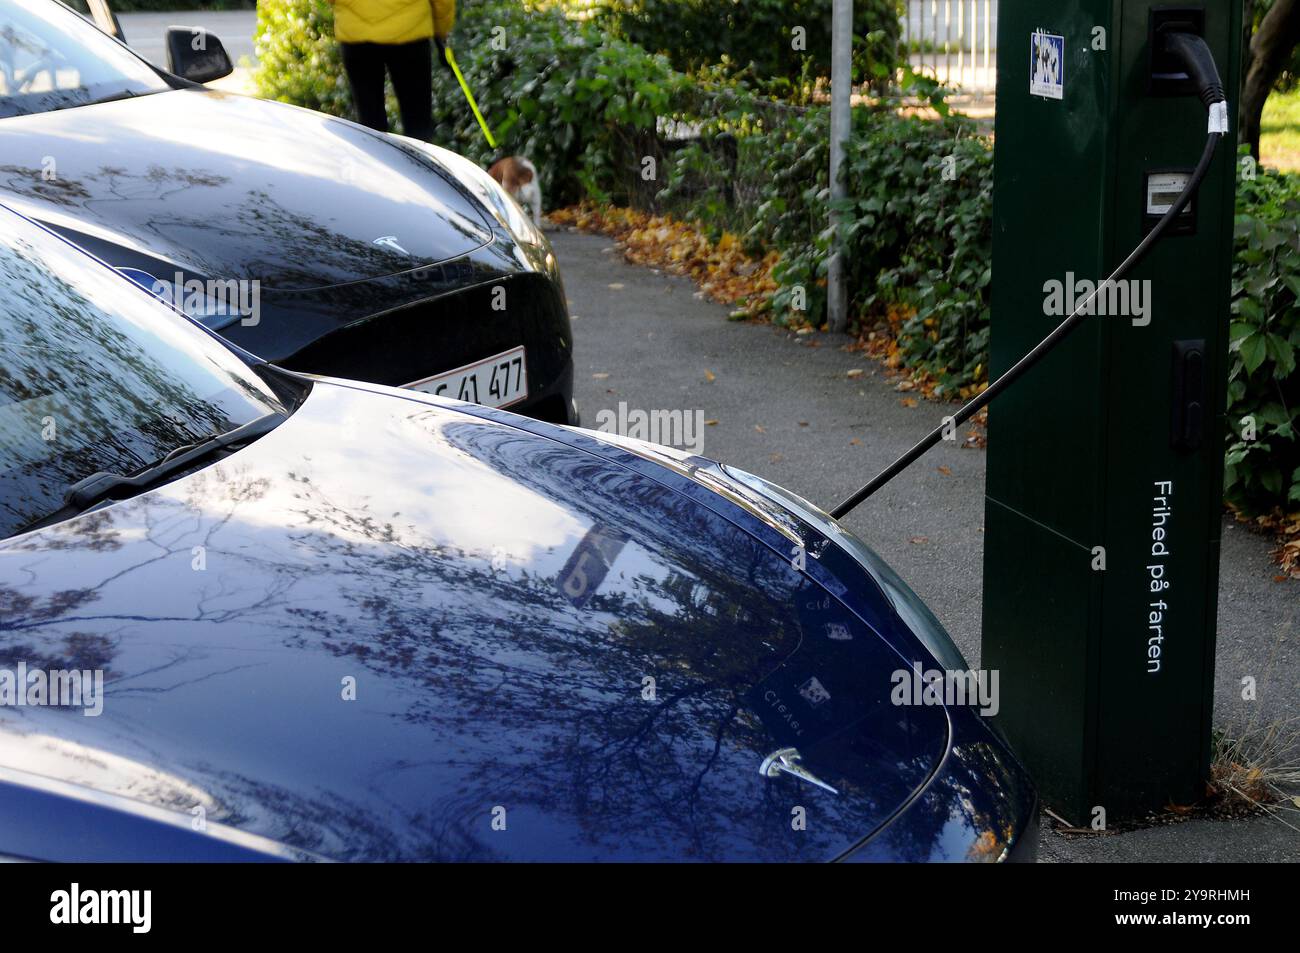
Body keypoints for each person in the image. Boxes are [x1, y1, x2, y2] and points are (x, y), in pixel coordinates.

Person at [328, 0, 456, 142]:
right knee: (418, 127)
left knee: (370, 126)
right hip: (410, 31)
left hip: (356, 36)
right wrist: (440, 29)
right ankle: (415, 162)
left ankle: (372, 159)